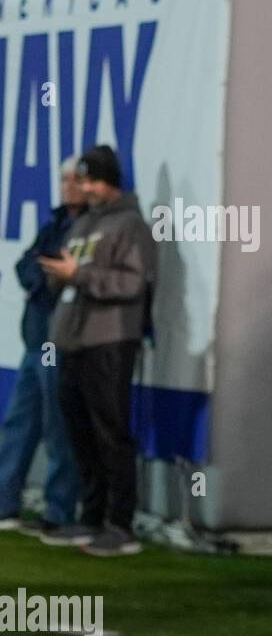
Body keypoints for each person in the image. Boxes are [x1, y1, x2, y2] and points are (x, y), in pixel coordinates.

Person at [41, 145, 156, 558]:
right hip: (74, 338)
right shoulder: (83, 224)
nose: (84, 188)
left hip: (110, 339)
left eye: (92, 180)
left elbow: (132, 284)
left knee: (110, 431)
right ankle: (91, 518)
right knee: (80, 432)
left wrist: (80, 275)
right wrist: (58, 275)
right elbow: (72, 275)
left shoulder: (130, 225)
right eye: (82, 180)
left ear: (110, 181)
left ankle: (120, 524)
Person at [0, 157, 83, 537]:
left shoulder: (87, 228)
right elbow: (25, 266)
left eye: (74, 180)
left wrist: (44, 275)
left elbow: (60, 276)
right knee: (19, 425)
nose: (68, 186)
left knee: (56, 426)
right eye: (64, 179)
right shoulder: (54, 225)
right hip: (35, 339)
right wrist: (42, 276)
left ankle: (59, 511)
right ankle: (6, 503)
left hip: (58, 339)